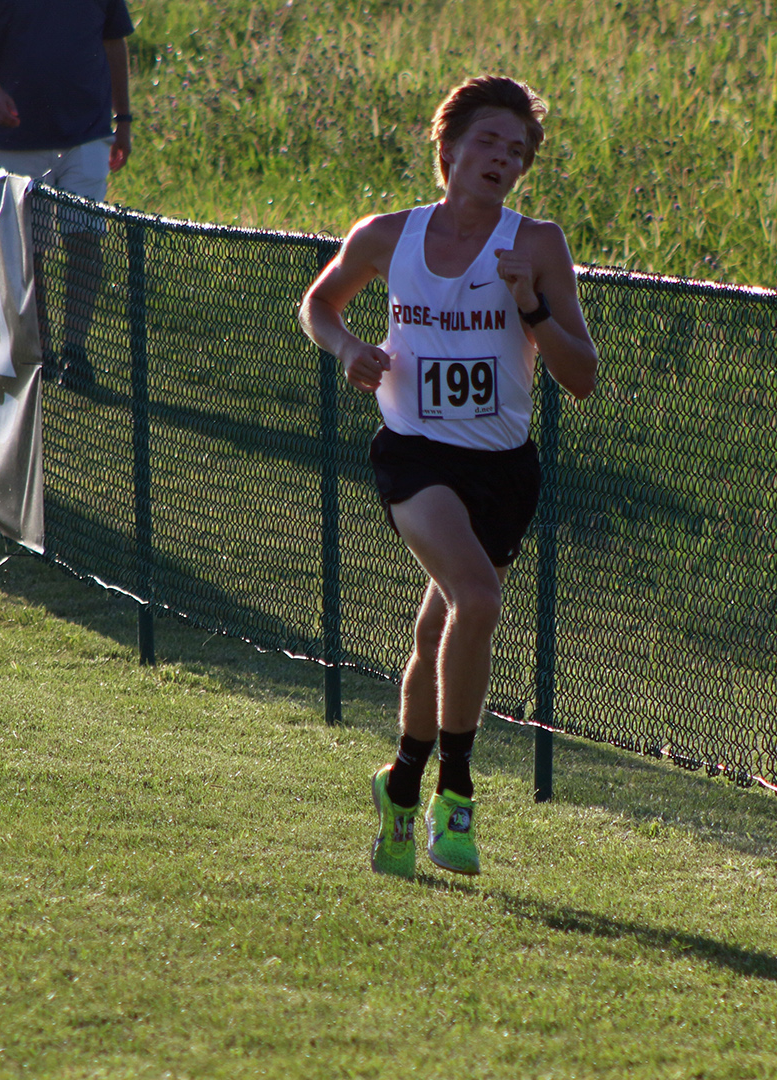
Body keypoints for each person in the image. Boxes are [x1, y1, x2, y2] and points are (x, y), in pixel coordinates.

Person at [298, 76, 597, 879]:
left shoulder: (536, 245)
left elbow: (583, 375)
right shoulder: (387, 236)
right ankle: (455, 796)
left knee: (438, 632)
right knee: (479, 600)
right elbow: (319, 304)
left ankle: (399, 786)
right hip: (415, 456)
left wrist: (532, 308)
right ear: (448, 151)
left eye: (518, 151)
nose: (504, 159)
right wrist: (349, 350)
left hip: (502, 470)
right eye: (490, 143)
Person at [0, 0, 135, 389]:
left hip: (88, 134)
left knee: (86, 238)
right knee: (29, 249)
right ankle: (40, 351)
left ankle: (75, 351)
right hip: (19, 138)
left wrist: (123, 119)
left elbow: (114, 43)